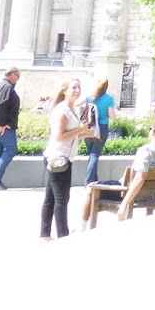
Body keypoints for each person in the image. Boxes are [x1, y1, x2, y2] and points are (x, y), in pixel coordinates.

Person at [40, 78, 89, 240]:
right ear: (64, 91)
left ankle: (45, 234)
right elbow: (60, 136)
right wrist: (80, 130)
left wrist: (85, 133)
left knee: (51, 197)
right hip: (57, 158)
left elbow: (71, 135)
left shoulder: (71, 109)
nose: (77, 90)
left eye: (79, 87)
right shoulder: (62, 110)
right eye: (73, 87)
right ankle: (63, 236)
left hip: (63, 157)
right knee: (62, 198)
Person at [82, 77, 117, 185]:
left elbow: (77, 104)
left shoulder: (90, 97)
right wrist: (116, 117)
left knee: (91, 154)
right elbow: (112, 116)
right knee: (95, 155)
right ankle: (88, 182)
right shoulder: (109, 99)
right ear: (106, 87)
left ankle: (94, 181)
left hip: (88, 128)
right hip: (101, 128)